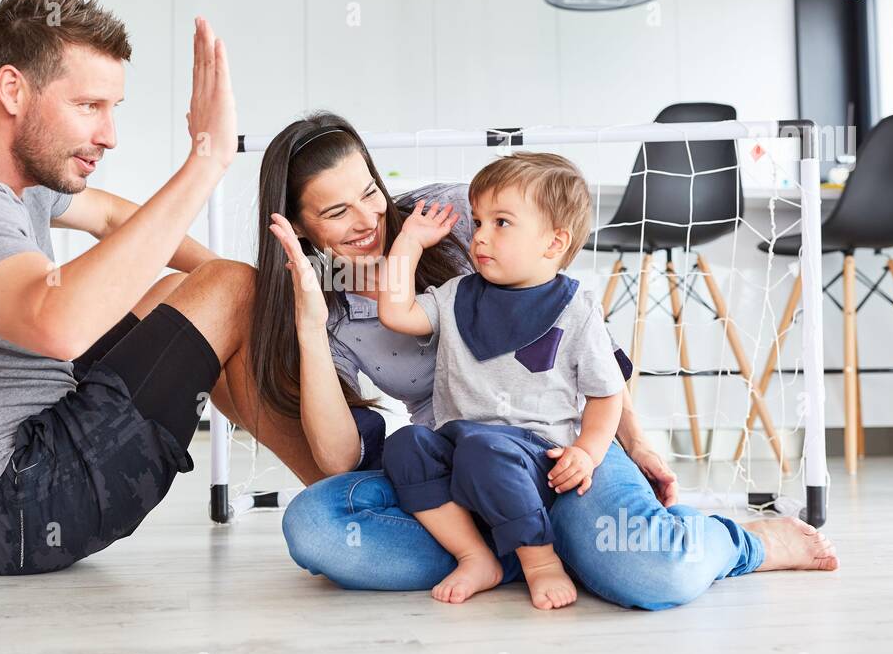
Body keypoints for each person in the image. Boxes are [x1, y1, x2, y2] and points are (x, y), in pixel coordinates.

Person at [255, 113, 839, 610]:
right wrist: (308, 324)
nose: (367, 220)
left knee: (654, 573)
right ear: (299, 226)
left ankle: (740, 544)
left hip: (558, 445)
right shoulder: (327, 309)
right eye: (336, 213)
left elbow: (580, 336)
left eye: (369, 193)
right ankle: (514, 550)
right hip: (454, 468)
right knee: (315, 527)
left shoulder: (459, 214)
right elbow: (337, 459)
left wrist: (631, 446)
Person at [0, 0, 323, 575]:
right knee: (227, 289)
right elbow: (60, 327)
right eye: (88, 106)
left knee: (204, 289)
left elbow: (113, 218)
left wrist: (272, 300)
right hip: (9, 509)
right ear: (13, 89)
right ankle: (349, 494)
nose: (108, 135)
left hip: (32, 455)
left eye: (112, 110)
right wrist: (207, 161)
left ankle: (335, 482)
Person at [378, 153, 626, 610]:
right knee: (405, 444)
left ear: (554, 243)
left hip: (532, 459)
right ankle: (475, 556)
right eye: (478, 221)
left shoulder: (577, 309)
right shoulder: (456, 296)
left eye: (502, 222)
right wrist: (410, 243)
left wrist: (587, 454)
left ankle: (541, 562)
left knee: (485, 447)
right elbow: (396, 312)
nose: (481, 235)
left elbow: (606, 395)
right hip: (460, 448)